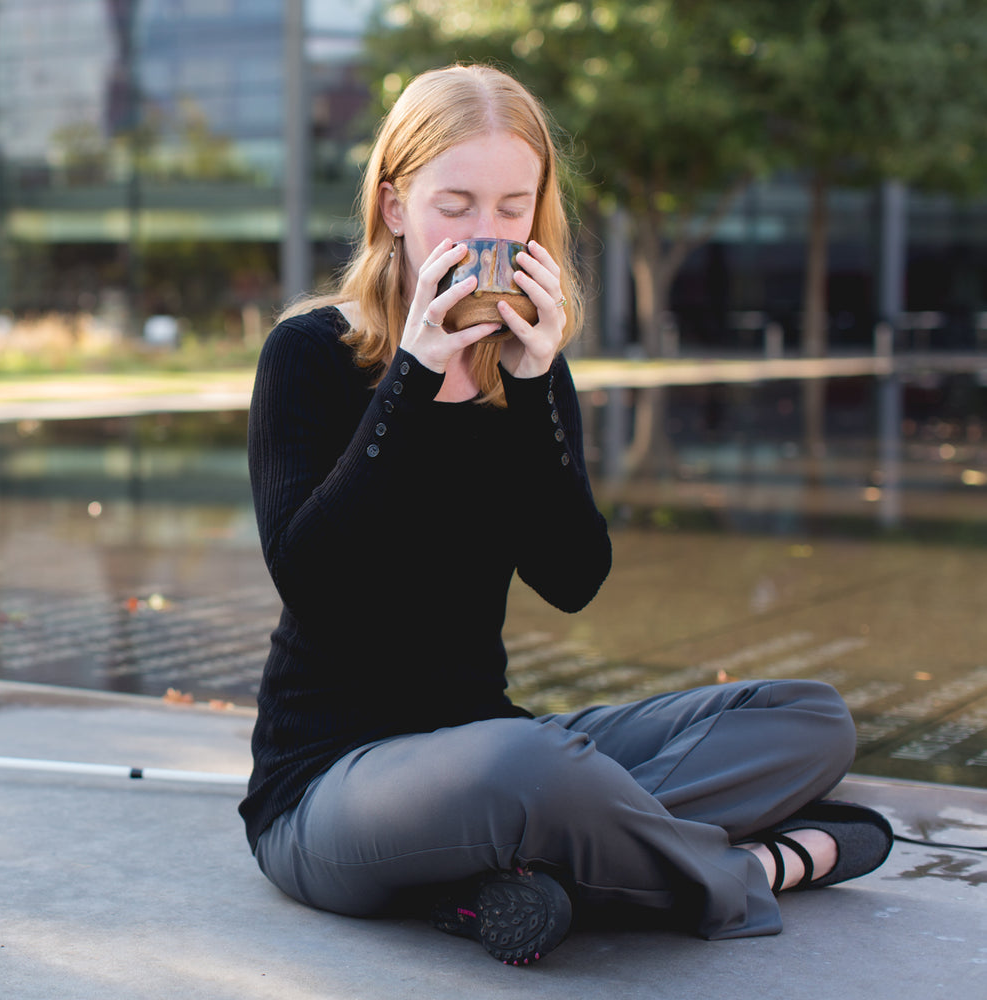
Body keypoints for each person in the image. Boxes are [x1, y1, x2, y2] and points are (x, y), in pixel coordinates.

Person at [240, 63, 892, 966]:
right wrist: (417, 380)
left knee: (809, 719)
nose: (485, 234)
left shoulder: (530, 370)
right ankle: (757, 869)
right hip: (329, 790)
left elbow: (573, 577)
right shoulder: (311, 353)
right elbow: (315, 580)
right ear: (394, 207)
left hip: (494, 745)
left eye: (512, 208)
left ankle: (519, 883)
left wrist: (539, 387)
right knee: (531, 769)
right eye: (455, 204)